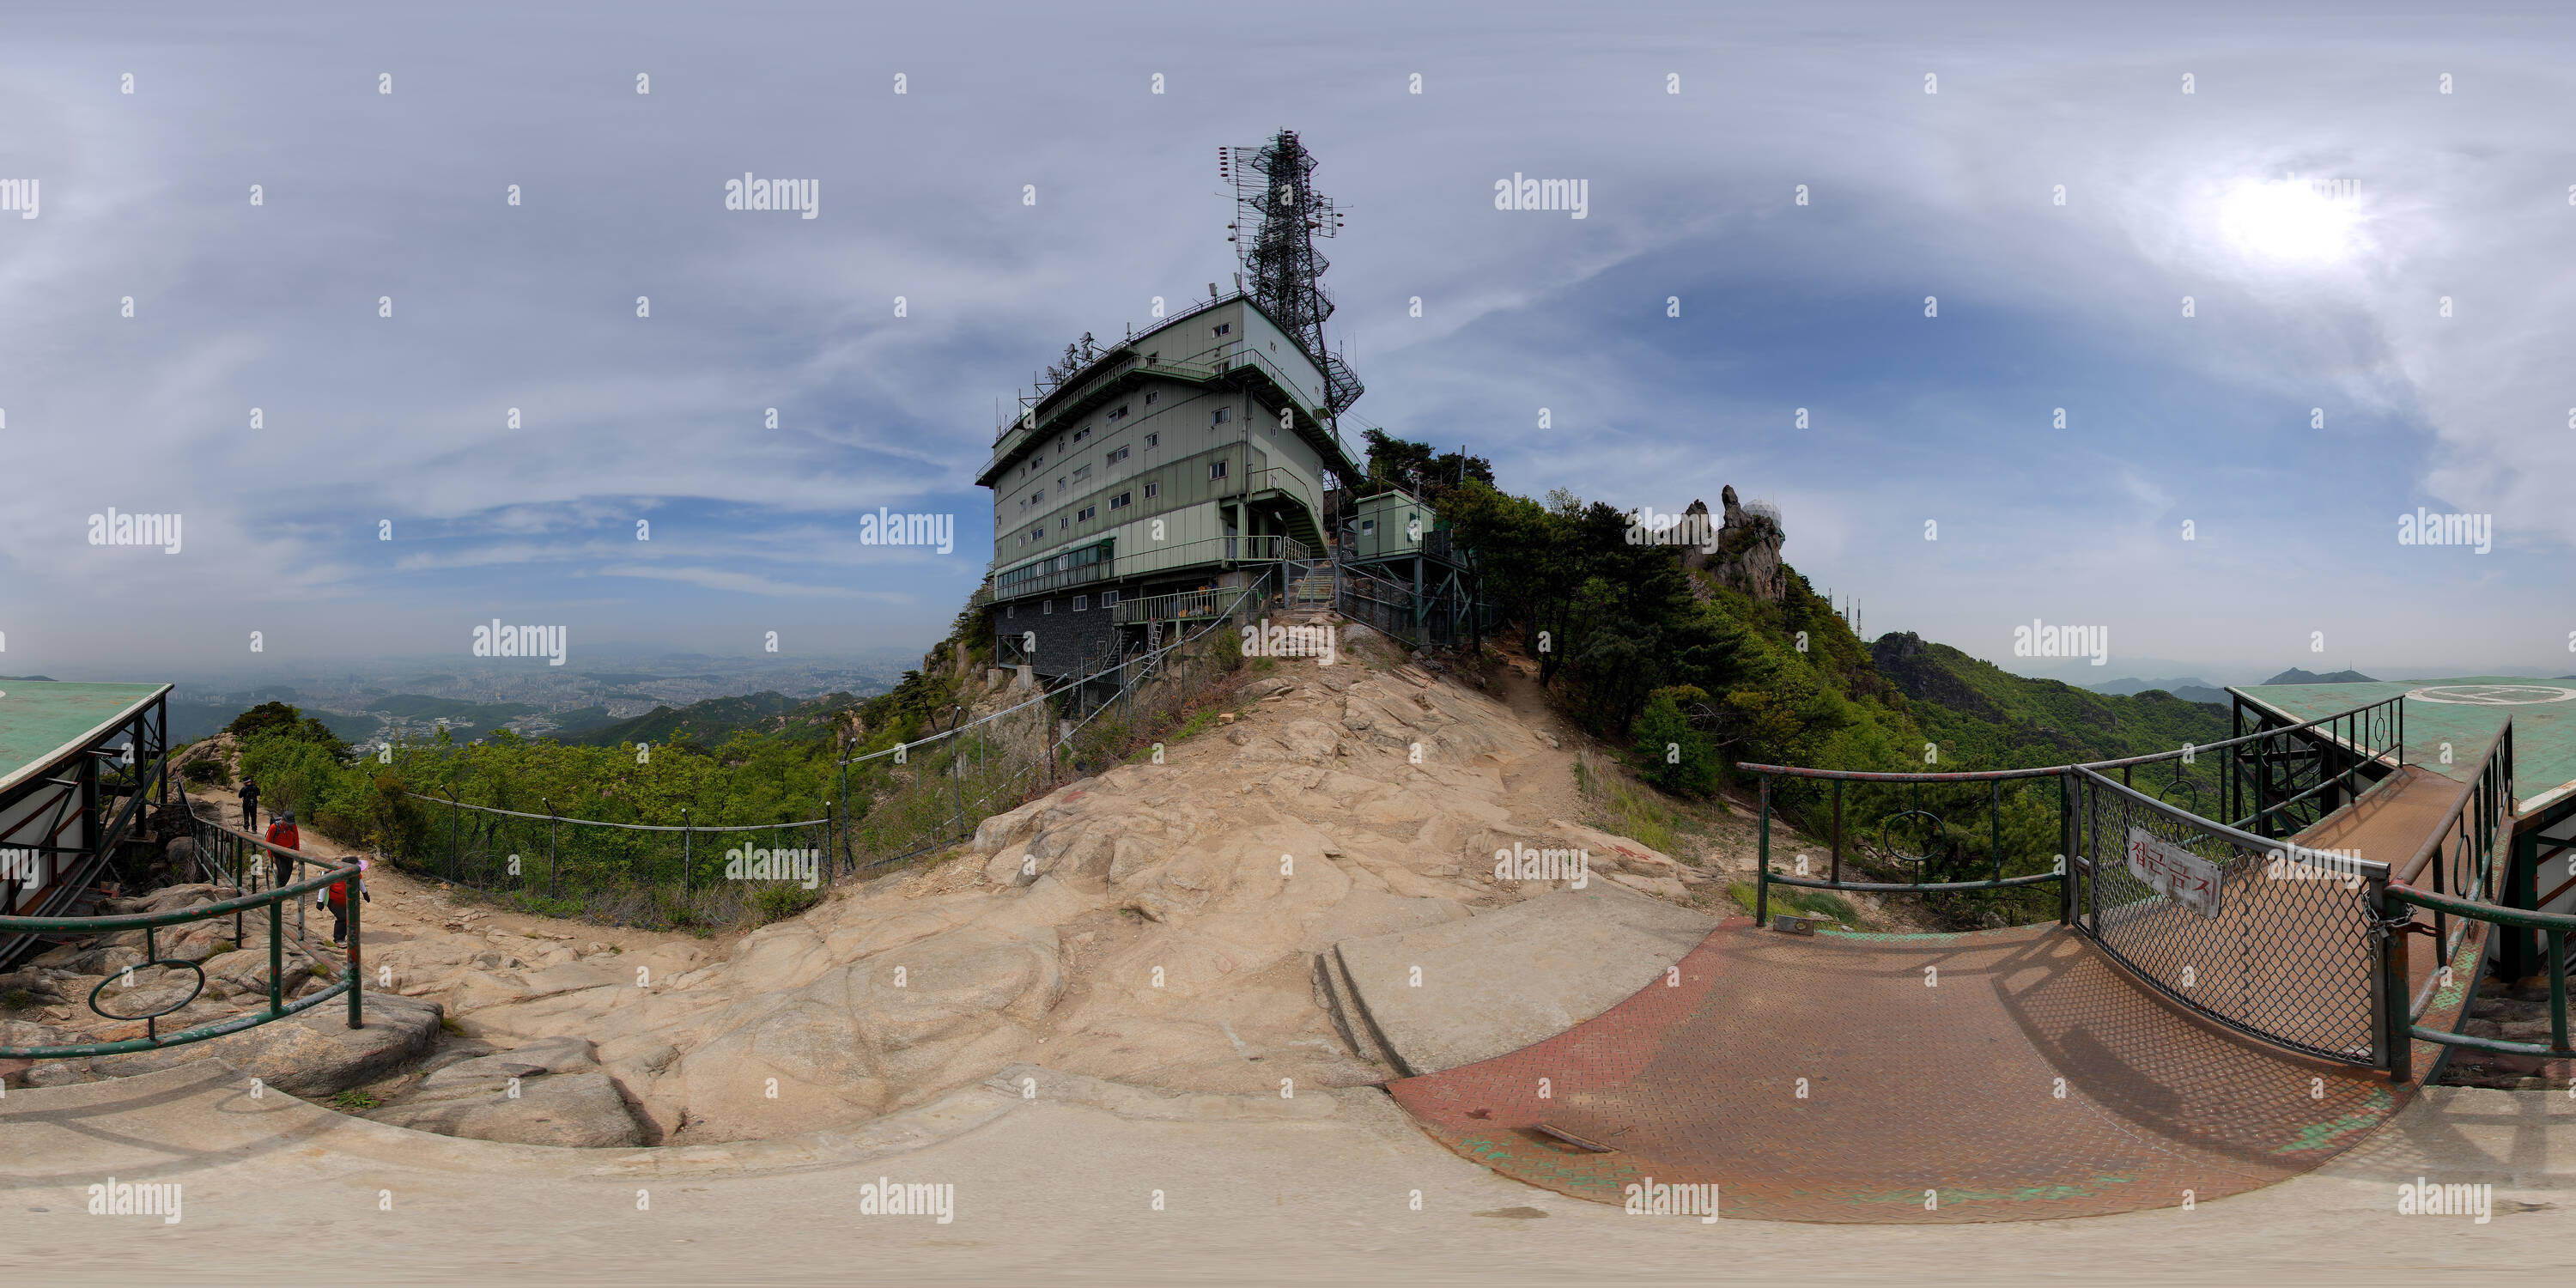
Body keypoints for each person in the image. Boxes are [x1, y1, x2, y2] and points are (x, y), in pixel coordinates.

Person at [318, 859, 368, 945]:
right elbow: (324, 887)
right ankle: (338, 939)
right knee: (343, 918)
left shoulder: (355, 873)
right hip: (334, 901)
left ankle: (350, 932)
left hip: (348, 900)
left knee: (351, 916)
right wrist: (320, 901)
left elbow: (360, 883)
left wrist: (365, 893)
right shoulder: (334, 874)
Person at [264, 809, 300, 891]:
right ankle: (279, 890)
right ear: (282, 819)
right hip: (278, 853)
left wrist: (297, 853)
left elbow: (296, 839)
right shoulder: (274, 827)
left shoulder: (292, 826)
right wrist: (271, 856)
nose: (289, 825)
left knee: (288, 873)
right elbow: (268, 842)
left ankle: (280, 888)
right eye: (287, 823)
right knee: (282, 872)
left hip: (289, 852)